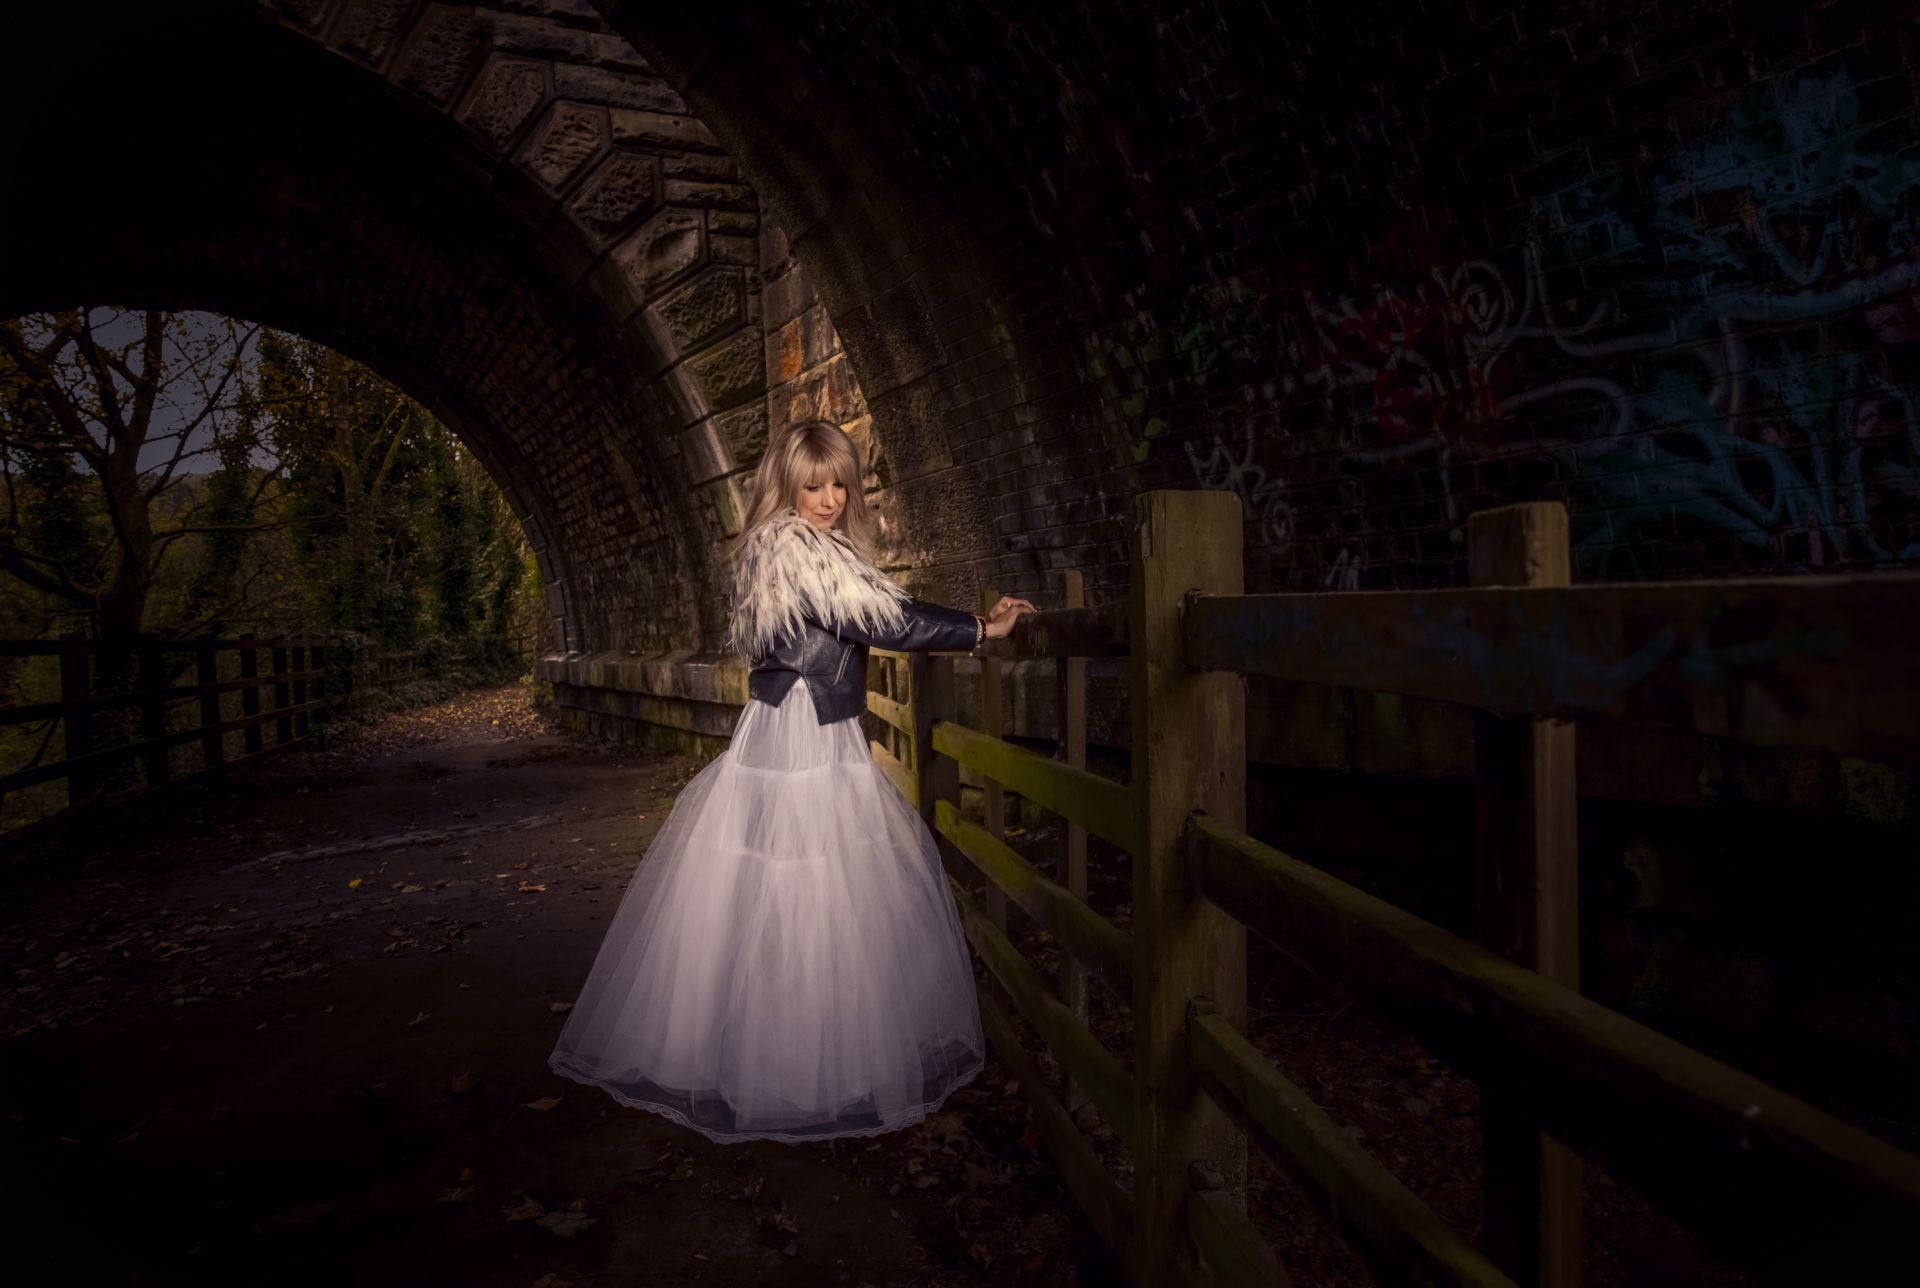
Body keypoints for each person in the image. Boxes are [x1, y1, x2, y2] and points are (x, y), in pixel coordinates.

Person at [547, 419, 1036, 1143]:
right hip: (807, 732)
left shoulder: (782, 548)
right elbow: (887, 619)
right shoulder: (798, 551)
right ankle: (801, 1067)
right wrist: (980, 628)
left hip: (790, 722)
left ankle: (781, 1049)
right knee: (814, 890)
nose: (830, 497)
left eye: (840, 482)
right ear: (786, 487)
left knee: (786, 893)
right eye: (814, 485)